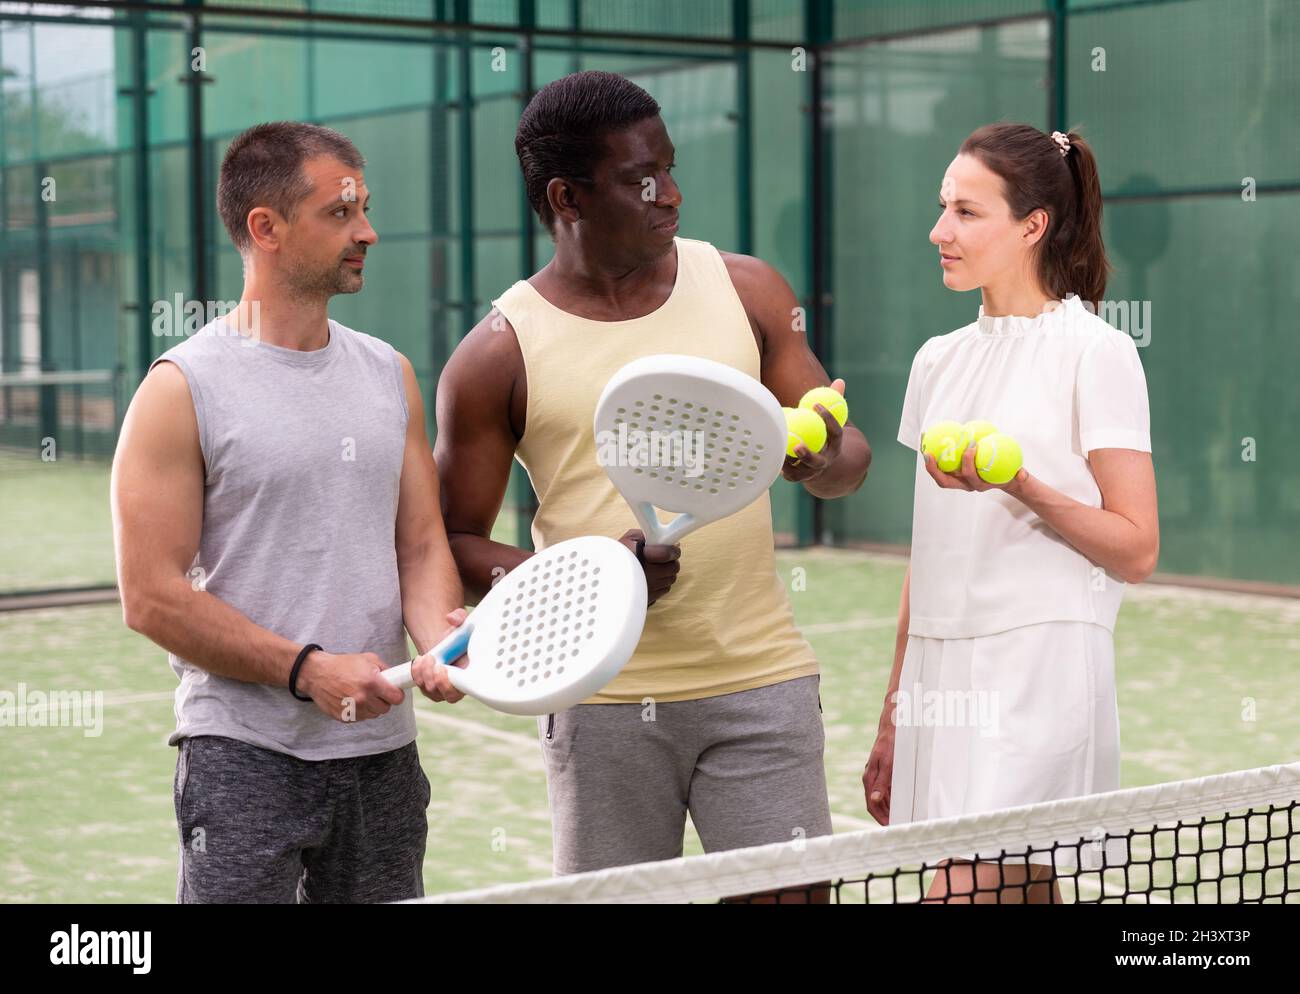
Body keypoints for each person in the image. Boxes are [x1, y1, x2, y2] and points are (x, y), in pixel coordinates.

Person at [434, 71, 871, 895]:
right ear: (567, 196)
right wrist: (595, 580)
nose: (669, 193)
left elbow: (849, 464)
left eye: (669, 168)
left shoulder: (749, 291)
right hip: (600, 704)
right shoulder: (495, 355)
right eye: (642, 178)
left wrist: (820, 455)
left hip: (761, 682)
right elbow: (449, 542)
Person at [112, 121, 465, 903]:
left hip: (382, 755)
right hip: (242, 753)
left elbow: (418, 542)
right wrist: (308, 671)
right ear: (265, 229)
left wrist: (441, 636)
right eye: (340, 213)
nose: (367, 232)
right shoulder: (180, 388)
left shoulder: (389, 373)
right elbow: (151, 595)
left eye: (365, 208)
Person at [862, 124, 1159, 903]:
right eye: (941, 208)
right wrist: (895, 713)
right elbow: (928, 559)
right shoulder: (936, 361)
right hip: (939, 671)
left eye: (965, 212)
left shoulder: (1098, 352)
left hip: (1040, 669)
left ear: (1033, 226)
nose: (939, 231)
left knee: (962, 889)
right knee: (1017, 889)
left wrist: (1023, 485)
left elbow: (1135, 549)